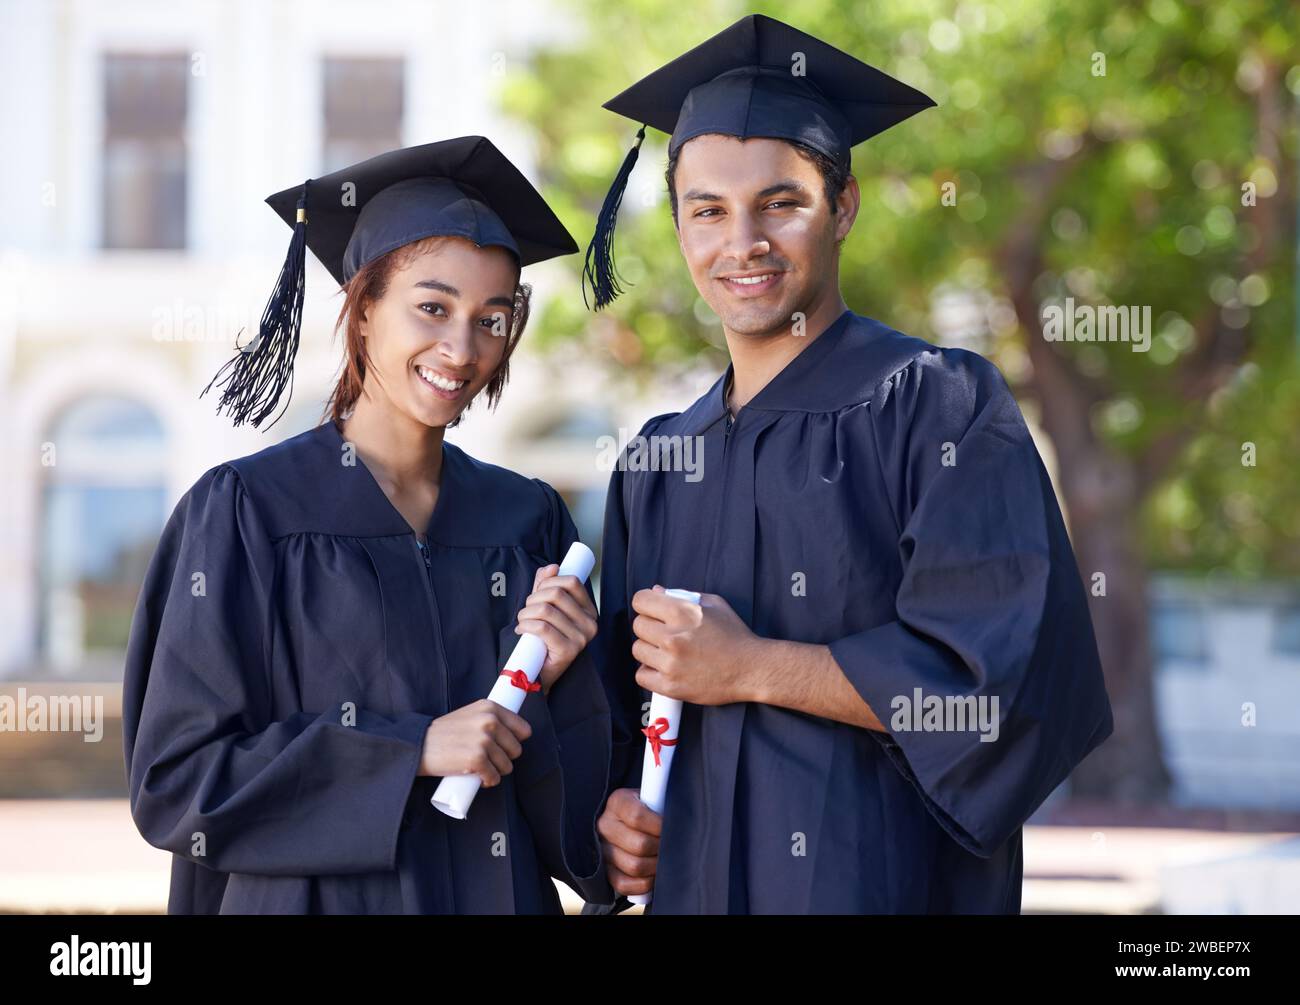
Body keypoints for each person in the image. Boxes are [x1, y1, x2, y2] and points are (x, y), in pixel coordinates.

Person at [582, 14, 1114, 914]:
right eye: (706, 209)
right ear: (677, 225)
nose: (740, 240)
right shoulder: (659, 460)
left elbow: (994, 693)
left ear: (844, 207)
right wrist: (617, 818)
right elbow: (627, 728)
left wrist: (751, 666)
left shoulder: (939, 407)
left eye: (780, 202)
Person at [123, 136, 613, 914]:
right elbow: (178, 782)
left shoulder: (527, 520)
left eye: (492, 317)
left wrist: (548, 683)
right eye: (432, 307)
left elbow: (580, 828)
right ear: (362, 307)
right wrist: (408, 751)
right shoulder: (247, 511)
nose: (462, 347)